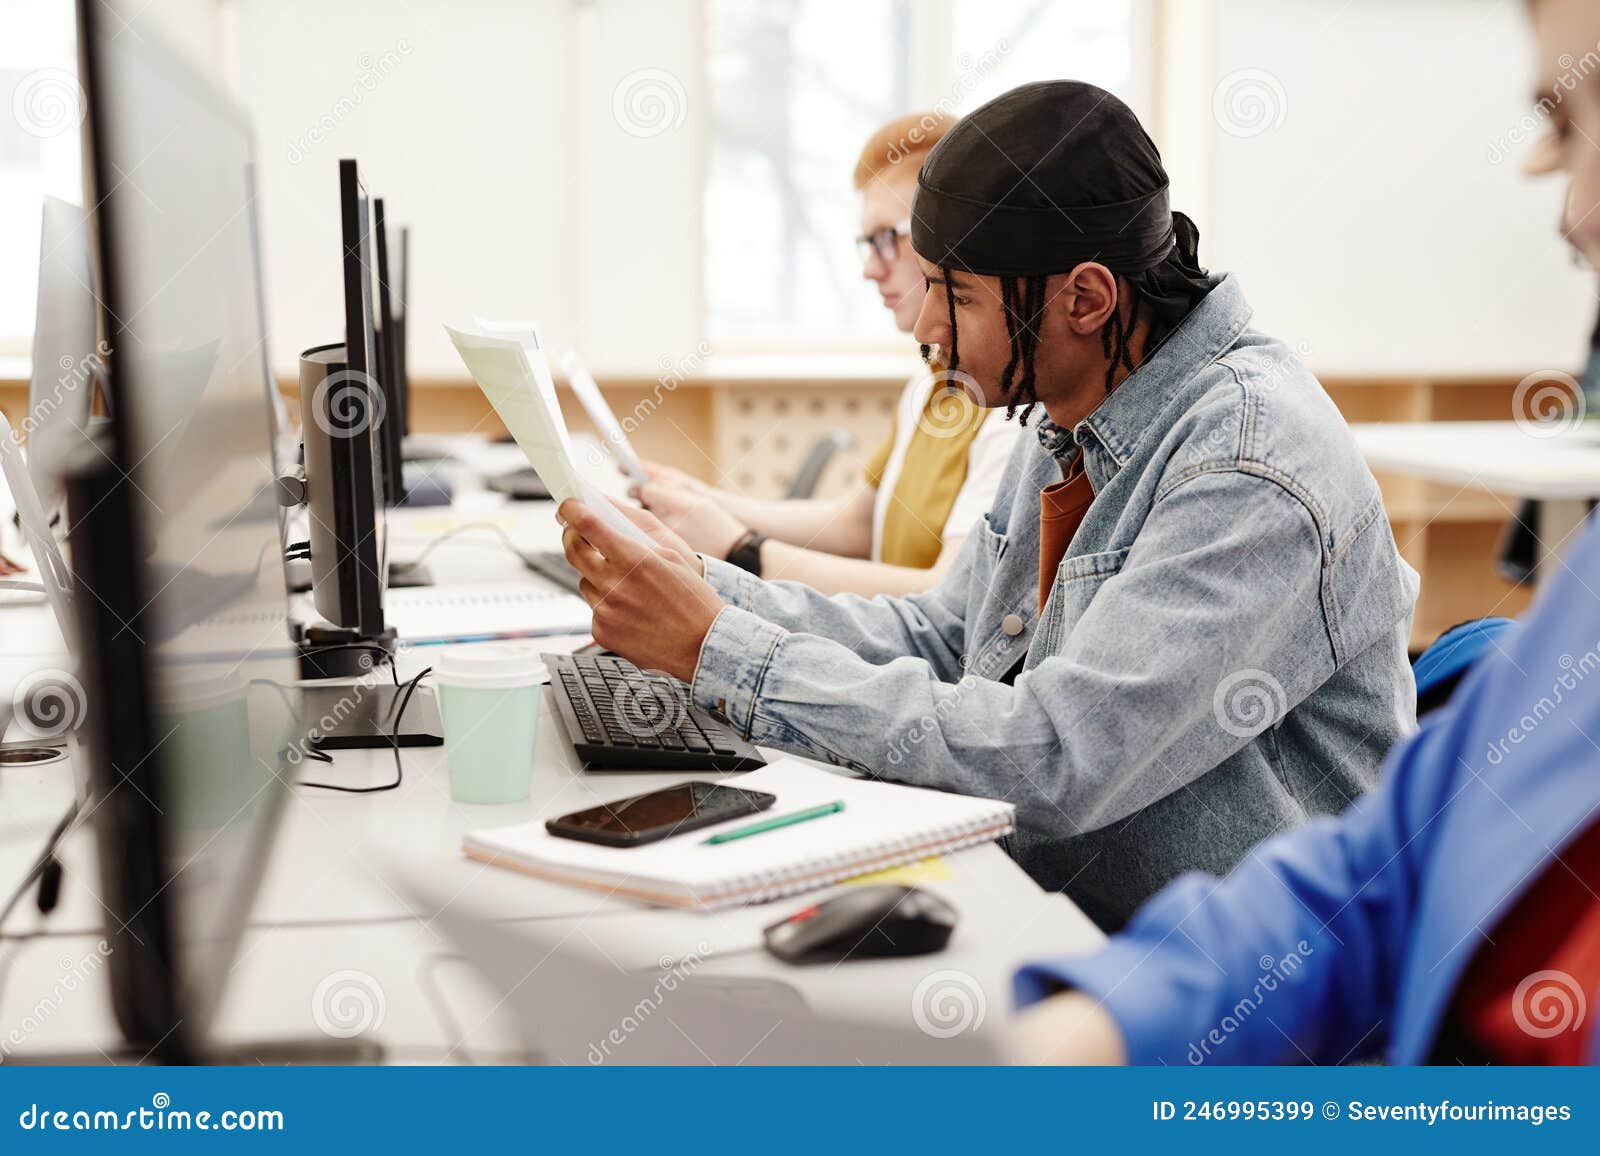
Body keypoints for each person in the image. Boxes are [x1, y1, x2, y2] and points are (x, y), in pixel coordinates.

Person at [558, 81, 1418, 930]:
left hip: (1243, 976)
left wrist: (718, 650)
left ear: (1086, 299)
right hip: (1058, 908)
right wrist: (699, 587)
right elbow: (947, 639)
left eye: (959, 295)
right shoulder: (1071, 403)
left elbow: (1057, 757)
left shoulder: (1248, 464)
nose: (926, 327)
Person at [1006, 0, 1600, 1065]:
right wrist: (1100, 1028)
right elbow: (1380, 877)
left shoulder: (1247, 448)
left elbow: (1061, 752)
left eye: (1575, 128)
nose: (1574, 214)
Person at [635, 112, 1020, 597]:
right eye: (868, 244)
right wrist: (701, 502)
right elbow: (859, 523)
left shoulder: (1015, 410)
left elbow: (950, 603)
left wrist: (741, 548)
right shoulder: (929, 382)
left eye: (887, 238)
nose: (869, 270)